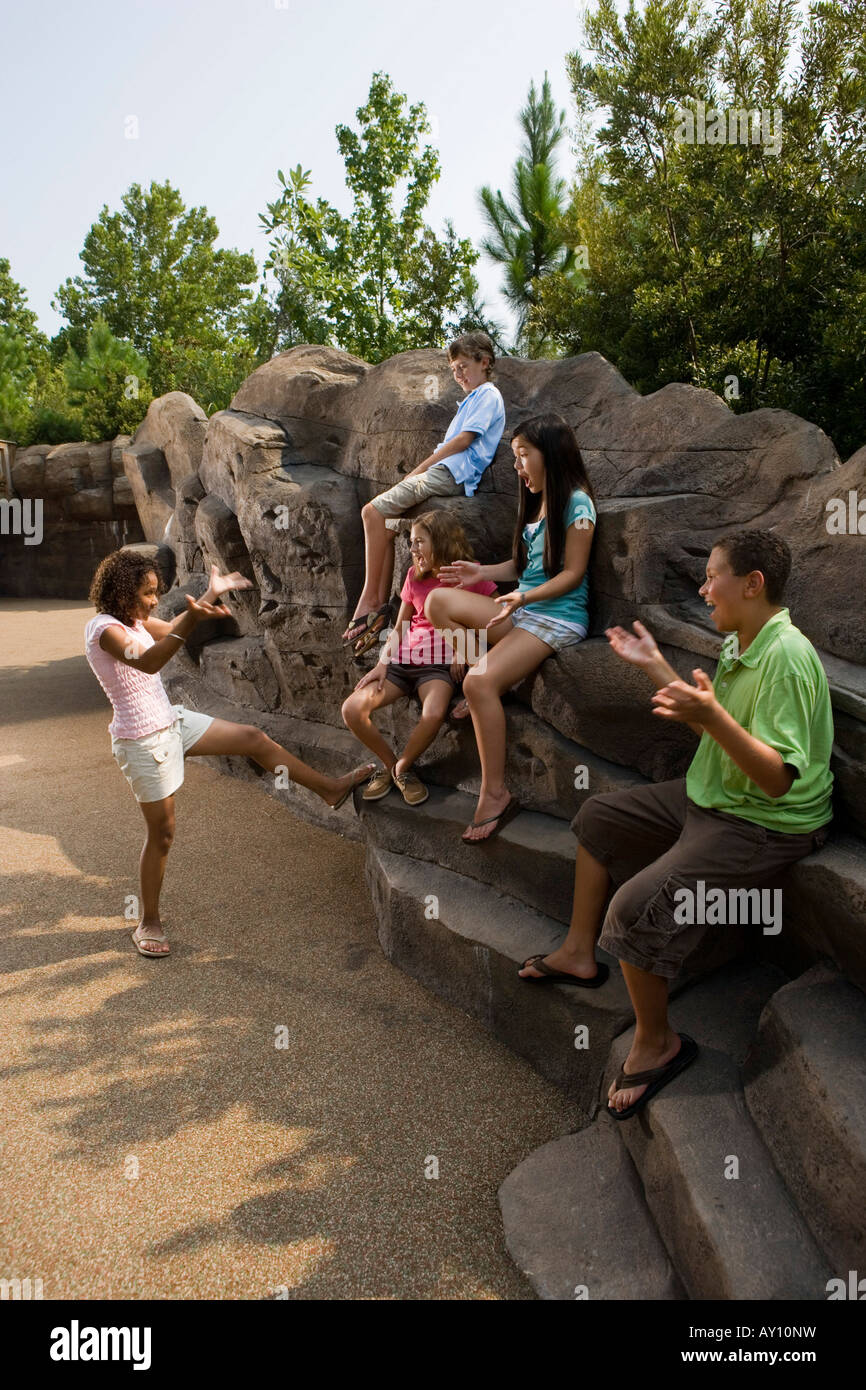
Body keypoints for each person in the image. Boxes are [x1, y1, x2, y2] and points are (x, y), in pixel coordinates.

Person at [518, 529, 834, 1121]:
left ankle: (658, 1043)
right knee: (598, 818)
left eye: (713, 575)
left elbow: (776, 779)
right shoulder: (746, 640)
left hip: (762, 822)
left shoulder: (787, 657)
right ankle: (579, 953)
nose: (703, 587)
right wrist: (657, 667)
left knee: (633, 909)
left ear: (752, 583)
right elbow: (719, 729)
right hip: (713, 797)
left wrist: (710, 714)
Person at [84, 551, 375, 958]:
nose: (154, 601)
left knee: (253, 738)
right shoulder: (103, 630)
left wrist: (206, 597)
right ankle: (148, 920)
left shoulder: (134, 621)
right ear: (122, 590)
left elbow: (169, 629)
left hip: (172, 722)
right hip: (141, 741)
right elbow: (150, 660)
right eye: (147, 593)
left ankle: (329, 789)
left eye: (155, 592)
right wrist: (194, 616)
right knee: (163, 834)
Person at [425, 413, 596, 841]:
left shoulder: (578, 503)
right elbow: (521, 567)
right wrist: (478, 572)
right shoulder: (537, 502)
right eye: (515, 457)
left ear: (551, 454)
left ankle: (495, 793)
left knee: (476, 684)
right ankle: (493, 676)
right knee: (437, 601)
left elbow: (572, 573)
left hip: (557, 618)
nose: (517, 467)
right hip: (523, 611)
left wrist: (522, 595)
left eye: (523, 456)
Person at [342, 331, 505, 655]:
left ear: (484, 362)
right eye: (454, 369)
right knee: (385, 522)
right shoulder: (471, 400)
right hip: (445, 471)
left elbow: (463, 441)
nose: (458, 374)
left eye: (463, 366)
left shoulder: (488, 394)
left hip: (451, 473)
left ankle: (371, 599)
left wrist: (420, 469)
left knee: (371, 511)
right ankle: (377, 603)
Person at [342, 510, 497, 805]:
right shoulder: (414, 576)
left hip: (437, 669)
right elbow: (399, 626)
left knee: (434, 713)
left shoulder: (470, 574)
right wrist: (382, 663)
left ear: (439, 541)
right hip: (402, 663)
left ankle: (402, 767)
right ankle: (390, 767)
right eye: (411, 543)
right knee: (352, 709)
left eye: (418, 542)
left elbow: (494, 620)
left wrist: (465, 649)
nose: (412, 550)